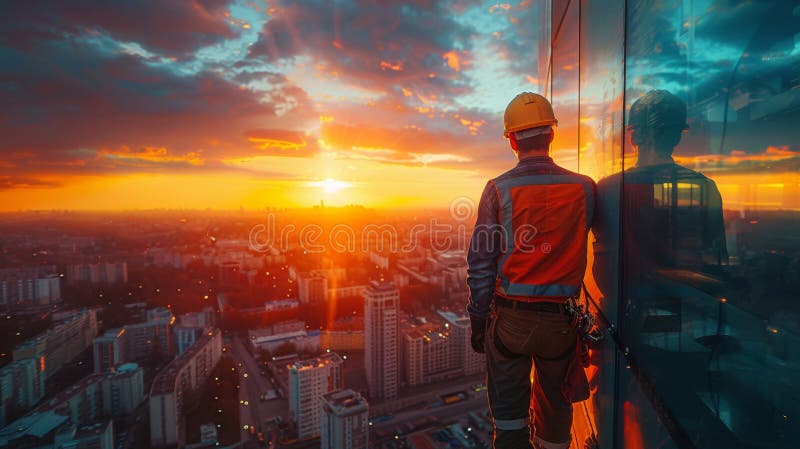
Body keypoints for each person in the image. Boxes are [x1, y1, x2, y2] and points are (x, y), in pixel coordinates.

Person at [466, 92, 596, 449]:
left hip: (511, 321)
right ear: (552, 135)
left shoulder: (497, 190)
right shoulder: (584, 189)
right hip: (561, 324)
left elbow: (480, 265)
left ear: (511, 140)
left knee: (510, 426)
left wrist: (479, 322)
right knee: (555, 428)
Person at [593, 89, 727, 342]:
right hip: (684, 319)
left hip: (622, 315)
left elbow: (603, 262)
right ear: (677, 136)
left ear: (635, 136)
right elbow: (716, 264)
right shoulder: (704, 187)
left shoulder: (609, 189)